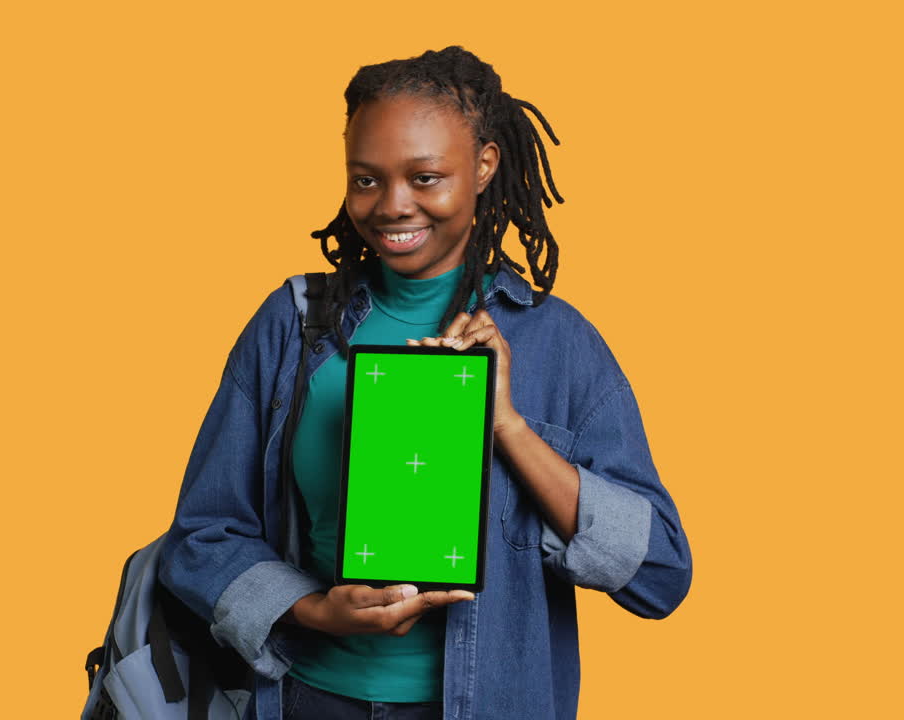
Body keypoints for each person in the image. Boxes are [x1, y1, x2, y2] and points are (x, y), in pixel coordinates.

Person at [160, 46, 691, 720]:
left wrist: (508, 427)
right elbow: (203, 535)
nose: (392, 206)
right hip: (311, 700)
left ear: (485, 166)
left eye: (426, 177)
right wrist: (315, 609)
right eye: (366, 179)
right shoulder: (292, 327)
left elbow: (660, 575)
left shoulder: (560, 344)